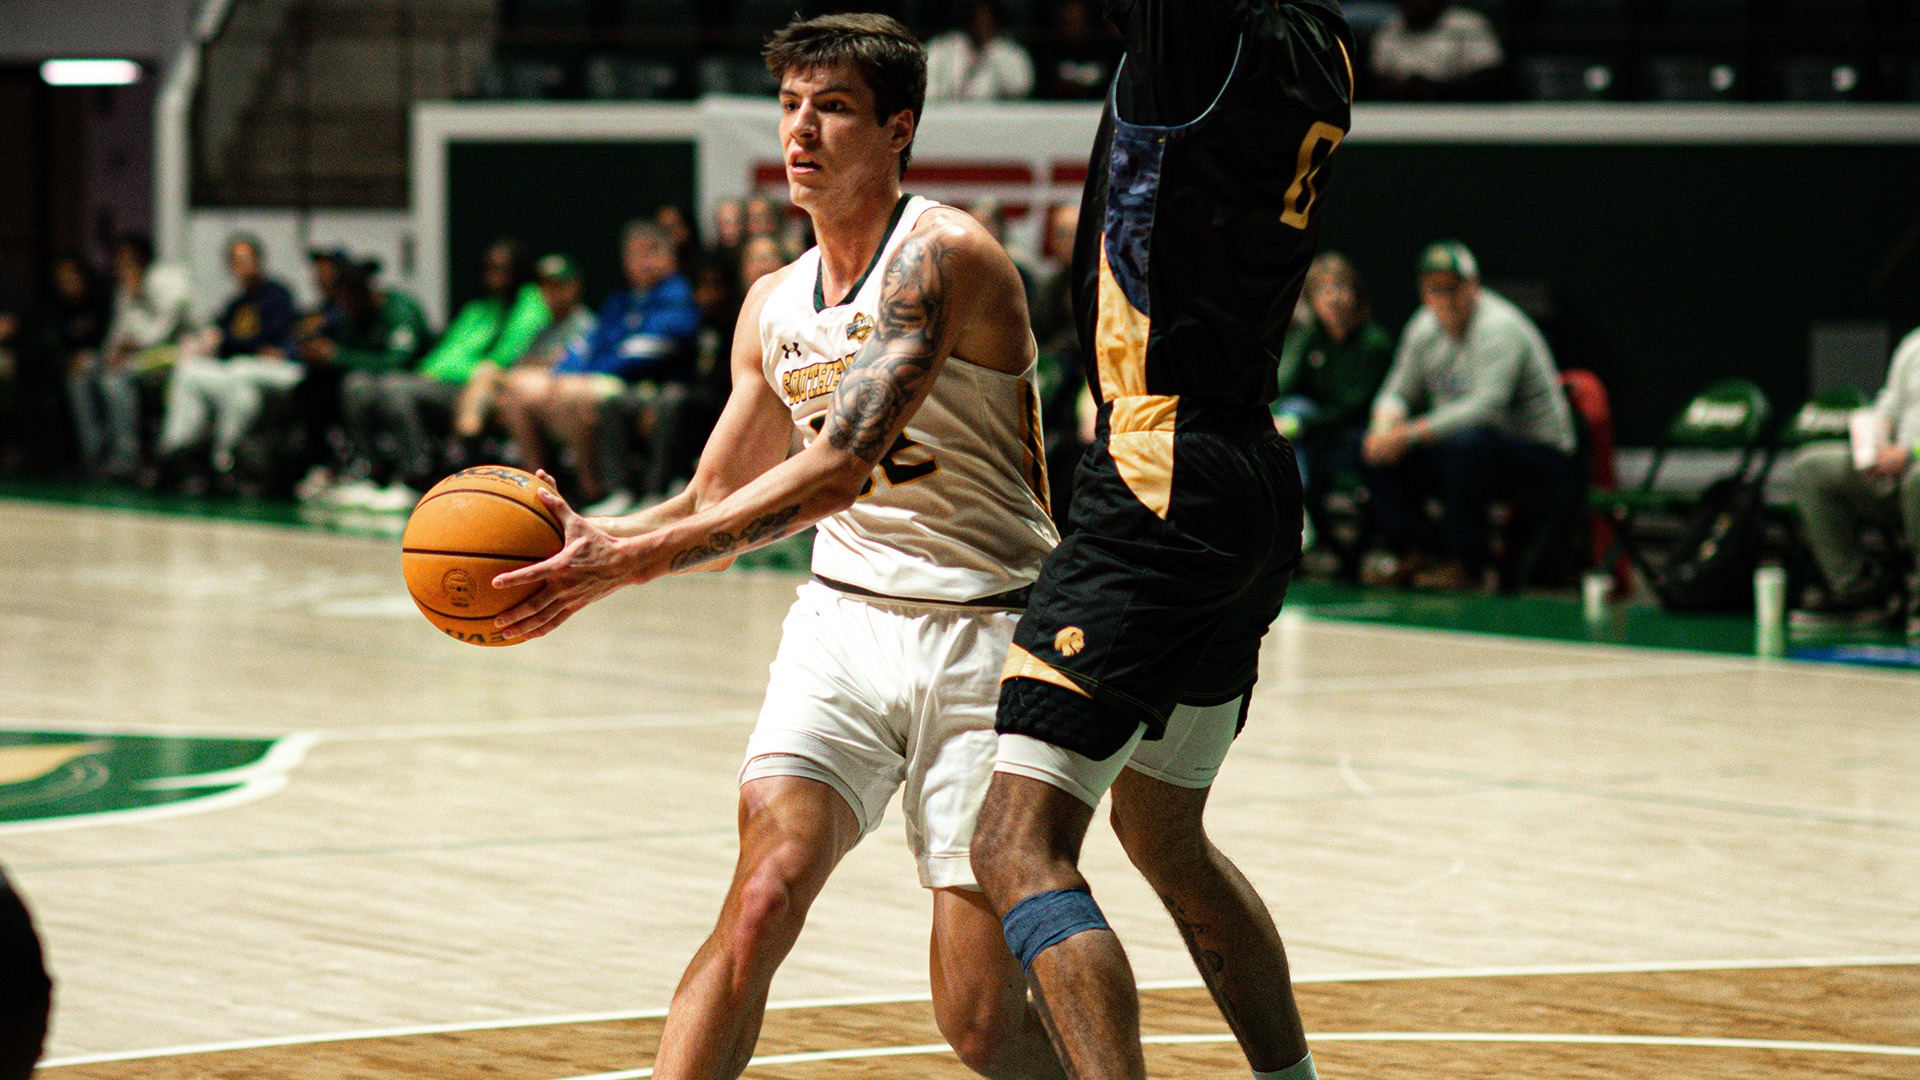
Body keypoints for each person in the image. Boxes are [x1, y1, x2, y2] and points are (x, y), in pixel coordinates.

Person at [488, 13, 1063, 1078]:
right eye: (791, 106)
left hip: (987, 635)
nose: (801, 132)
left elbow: (837, 467)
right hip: (841, 623)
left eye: (833, 108)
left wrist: (628, 564)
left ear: (899, 131)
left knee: (980, 1023)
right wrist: (594, 552)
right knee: (759, 900)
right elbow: (717, 499)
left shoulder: (944, 257)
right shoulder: (771, 303)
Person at [966, 2, 1354, 1079]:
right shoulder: (1320, 43)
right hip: (1249, 468)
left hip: (1159, 465)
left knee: (1013, 843)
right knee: (1168, 838)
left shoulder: (1207, 38)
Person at [1359, 241, 1576, 591]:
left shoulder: (1500, 327)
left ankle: (1468, 566)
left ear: (1473, 285)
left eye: (1453, 287)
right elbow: (1397, 390)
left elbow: (1487, 409)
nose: (1445, 298)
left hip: (1538, 453)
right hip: (1466, 447)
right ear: (1423, 292)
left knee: (1468, 445)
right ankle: (1421, 552)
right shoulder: (1423, 328)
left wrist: (1408, 434)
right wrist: (1383, 426)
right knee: (1371, 449)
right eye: (1435, 289)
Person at [495, 220, 699, 513]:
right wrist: (564, 372)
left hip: (648, 384)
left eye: (651, 252)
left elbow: (646, 353)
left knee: (572, 392)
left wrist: (585, 371)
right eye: (633, 254)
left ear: (670, 257)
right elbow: (585, 345)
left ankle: (593, 487)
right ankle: (539, 489)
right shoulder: (620, 300)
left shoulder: (678, 295)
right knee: (519, 392)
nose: (641, 262)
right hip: (601, 378)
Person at [328, 238, 547, 509]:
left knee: (396, 388)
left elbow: (499, 361)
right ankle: (369, 471)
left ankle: (415, 476)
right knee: (357, 385)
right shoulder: (478, 308)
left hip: (473, 388)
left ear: (519, 271)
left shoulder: (530, 305)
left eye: (502, 268)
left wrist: (436, 374)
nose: (494, 275)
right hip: (437, 380)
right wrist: (428, 373)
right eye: (489, 268)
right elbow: (444, 353)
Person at [1787, 324, 1920, 637]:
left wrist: (1912, 453)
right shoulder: (1914, 343)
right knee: (1812, 467)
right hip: (1895, 472)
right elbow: (1889, 405)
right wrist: (1873, 444)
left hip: (1914, 470)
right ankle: (1857, 589)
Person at [1272, 251, 1394, 570]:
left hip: (1358, 440)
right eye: (1323, 291)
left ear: (1355, 293)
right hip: (1318, 440)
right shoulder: (1313, 340)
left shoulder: (1373, 343)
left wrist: (1302, 425)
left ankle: (1296, 524)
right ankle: (1295, 519)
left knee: (1298, 423)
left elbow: (1352, 409)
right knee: (1290, 414)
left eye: (1340, 288)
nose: (1334, 299)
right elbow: (1288, 387)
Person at [152, 233, 300, 490]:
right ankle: (175, 450)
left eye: (246, 259)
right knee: (190, 372)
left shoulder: (277, 294)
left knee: (240, 372)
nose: (242, 266)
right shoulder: (235, 304)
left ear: (258, 260)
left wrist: (227, 341)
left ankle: (223, 456)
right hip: (240, 371)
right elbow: (221, 341)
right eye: (235, 261)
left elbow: (267, 342)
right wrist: (205, 344)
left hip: (279, 370)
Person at [291, 257, 432, 499]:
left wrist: (338, 357)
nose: (344, 307)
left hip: (419, 380)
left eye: (347, 299)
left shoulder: (399, 309)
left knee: (377, 386)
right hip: (373, 385)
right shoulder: (349, 319)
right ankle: (364, 467)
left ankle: (415, 472)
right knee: (327, 386)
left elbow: (399, 362)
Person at [69, 235, 193, 480]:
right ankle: (93, 453)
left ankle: (126, 457)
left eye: (126, 257)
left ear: (142, 256)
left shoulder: (169, 279)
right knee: (81, 374)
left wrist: (141, 295)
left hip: (170, 355)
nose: (120, 263)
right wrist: (106, 355)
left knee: (112, 381)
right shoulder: (124, 286)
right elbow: (116, 333)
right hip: (132, 358)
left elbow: (163, 331)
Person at [449, 252, 597, 457]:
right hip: (526, 385)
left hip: (559, 388)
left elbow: (570, 363)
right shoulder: (543, 325)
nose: (551, 292)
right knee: (487, 373)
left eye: (558, 285)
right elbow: (522, 361)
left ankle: (468, 446)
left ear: (575, 287)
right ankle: (466, 442)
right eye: (545, 286)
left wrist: (536, 365)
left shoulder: (585, 324)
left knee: (515, 394)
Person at [1368, 0, 1505, 101]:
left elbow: (1489, 73)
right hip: (1401, 109)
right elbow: (1378, 75)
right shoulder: (1391, 25)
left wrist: (1441, 89)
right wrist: (1408, 88)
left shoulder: (1469, 23)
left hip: (1460, 108)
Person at [926, 0, 1035, 100]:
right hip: (949, 113)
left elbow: (1020, 87)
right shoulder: (945, 46)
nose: (982, 23)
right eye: (978, 17)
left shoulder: (1011, 53)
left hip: (990, 116)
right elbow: (928, 82)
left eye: (987, 18)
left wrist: (993, 51)